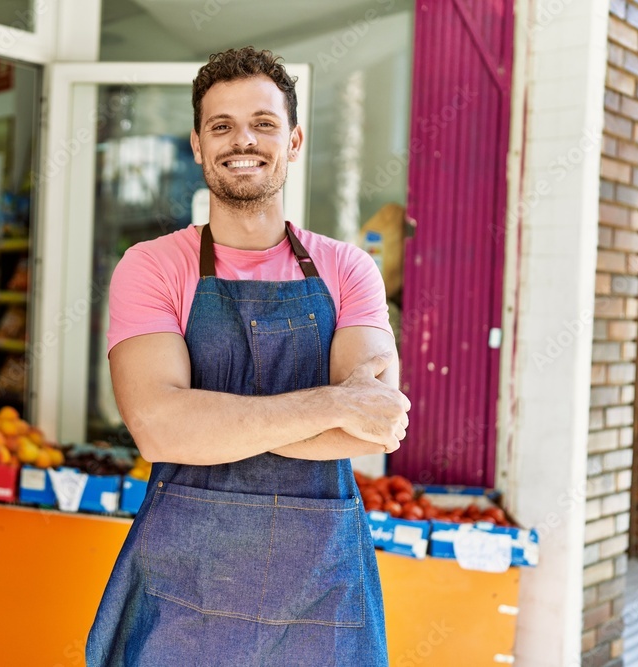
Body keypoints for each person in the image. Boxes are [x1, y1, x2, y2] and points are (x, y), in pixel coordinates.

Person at [86, 47, 411, 666]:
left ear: (292, 142)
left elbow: (373, 424)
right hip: (185, 590)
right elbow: (158, 428)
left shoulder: (348, 269)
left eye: (264, 123)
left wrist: (210, 424)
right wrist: (331, 404)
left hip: (321, 589)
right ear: (197, 146)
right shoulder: (153, 266)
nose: (244, 141)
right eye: (222, 126)